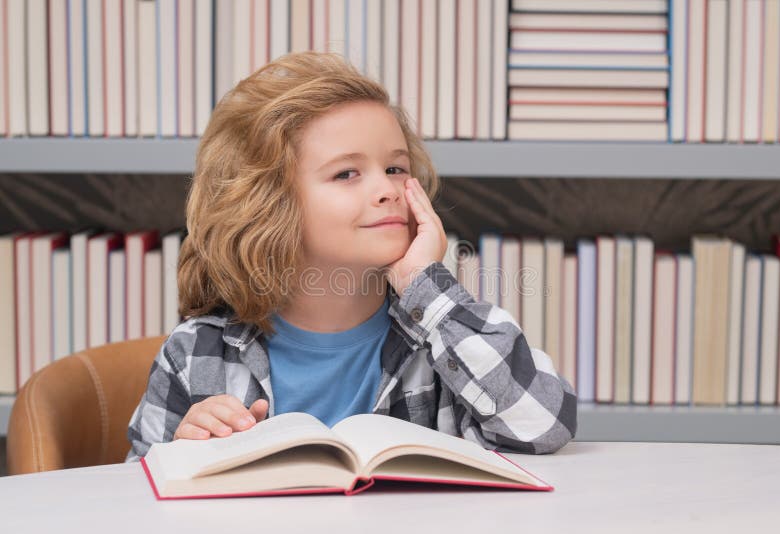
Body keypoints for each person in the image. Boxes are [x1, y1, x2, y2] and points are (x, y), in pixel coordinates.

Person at [126, 51, 577, 461]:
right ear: (267, 203)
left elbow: (545, 426)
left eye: (396, 168)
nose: (387, 190)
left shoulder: (447, 339)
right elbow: (133, 501)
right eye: (347, 173)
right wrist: (181, 459)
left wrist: (426, 285)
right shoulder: (194, 355)